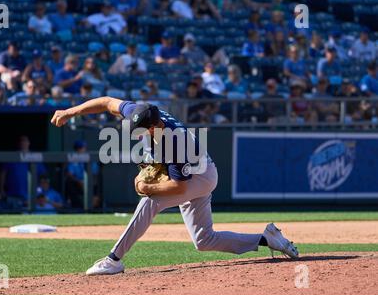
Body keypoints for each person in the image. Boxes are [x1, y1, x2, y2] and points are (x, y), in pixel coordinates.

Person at [51, 96, 299, 275]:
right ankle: (267, 239)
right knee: (204, 240)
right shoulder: (141, 111)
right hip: (198, 170)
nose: (135, 134)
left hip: (199, 178)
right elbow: (106, 102)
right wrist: (71, 111)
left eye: (140, 131)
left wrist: (146, 188)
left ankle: (113, 259)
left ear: (154, 127)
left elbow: (178, 189)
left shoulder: (173, 142)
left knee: (149, 202)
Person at [0, 135, 47, 209]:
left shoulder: (35, 157)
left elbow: (43, 177)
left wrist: (40, 193)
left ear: (29, 143)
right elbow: (3, 174)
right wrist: (2, 190)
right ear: (18, 143)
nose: (23, 143)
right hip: (12, 195)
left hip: (31, 196)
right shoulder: (11, 157)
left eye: (25, 141)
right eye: (21, 141)